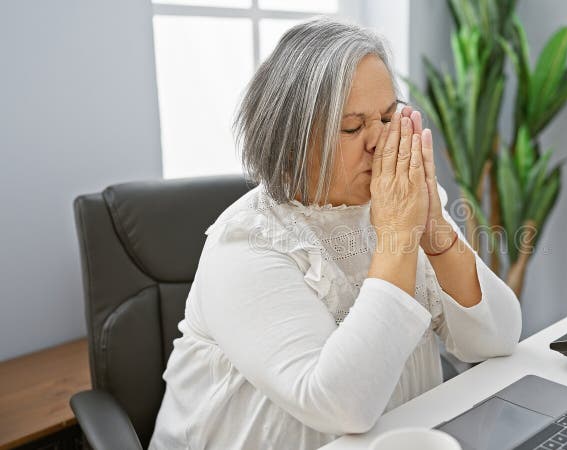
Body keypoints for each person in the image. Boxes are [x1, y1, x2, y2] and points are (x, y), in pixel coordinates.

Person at [149, 16, 521, 450]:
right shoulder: (246, 244)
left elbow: (497, 338)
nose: (380, 142)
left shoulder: (399, 198)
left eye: (387, 116)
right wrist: (398, 237)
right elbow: (342, 407)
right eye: (352, 127)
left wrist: (433, 229)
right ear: (290, 142)